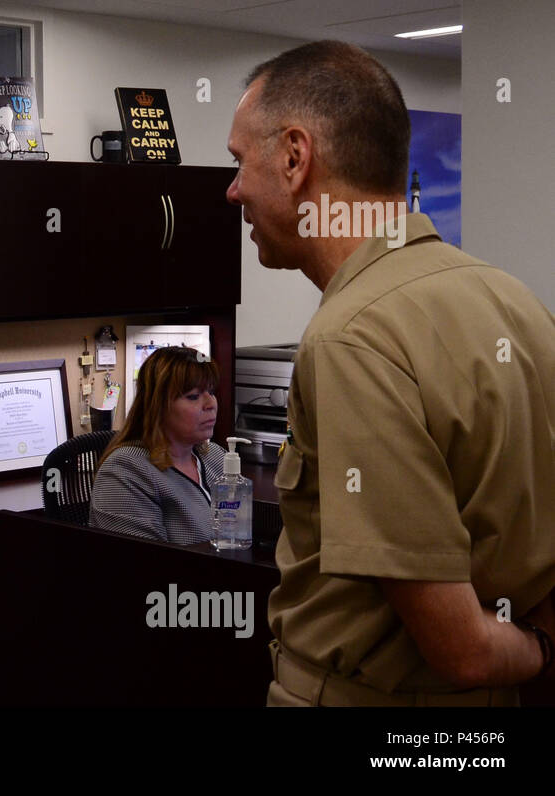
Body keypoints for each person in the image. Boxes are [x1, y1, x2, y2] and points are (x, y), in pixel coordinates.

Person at [226, 41, 555, 705]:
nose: (232, 189)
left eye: (239, 162)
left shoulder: (352, 339)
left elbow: (461, 650)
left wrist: (542, 651)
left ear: (295, 157)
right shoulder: (517, 304)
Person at [88, 346, 225, 544]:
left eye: (211, 391)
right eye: (193, 396)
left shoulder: (215, 456)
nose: (210, 404)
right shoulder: (125, 471)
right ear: (158, 405)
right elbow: (148, 567)